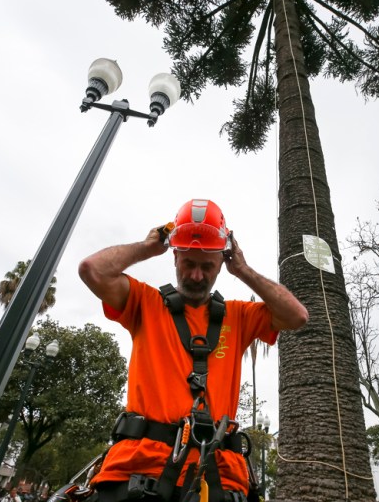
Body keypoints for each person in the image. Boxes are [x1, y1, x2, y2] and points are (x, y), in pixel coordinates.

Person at [79, 199, 308, 502]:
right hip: (136, 470)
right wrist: (147, 248)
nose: (197, 276)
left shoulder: (239, 316)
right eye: (188, 264)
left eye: (207, 266)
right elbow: (92, 270)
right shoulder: (144, 302)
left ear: (221, 263)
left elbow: (297, 316)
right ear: (175, 257)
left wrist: (243, 270)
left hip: (217, 478)